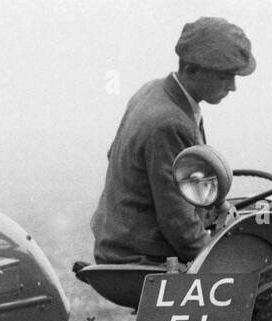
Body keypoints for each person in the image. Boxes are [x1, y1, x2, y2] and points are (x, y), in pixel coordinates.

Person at [91, 17, 255, 265]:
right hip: (140, 256)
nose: (232, 87)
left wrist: (217, 204)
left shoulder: (155, 92)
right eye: (224, 76)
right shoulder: (169, 122)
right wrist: (219, 262)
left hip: (119, 240)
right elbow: (177, 220)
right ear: (191, 69)